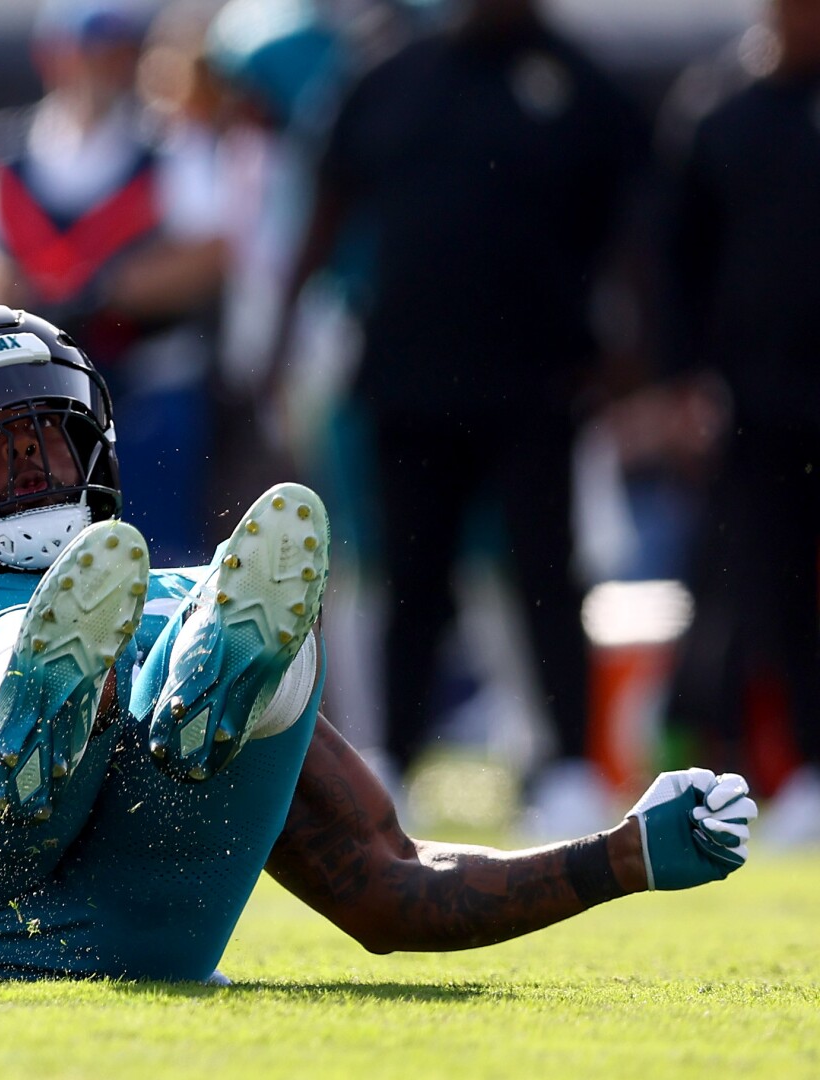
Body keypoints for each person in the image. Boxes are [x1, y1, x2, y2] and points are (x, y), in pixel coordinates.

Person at [0, 306, 756, 981]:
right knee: (32, 647)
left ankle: (191, 699)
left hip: (151, 922)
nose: (30, 467)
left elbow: (388, 880)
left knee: (248, 649)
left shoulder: (186, 596)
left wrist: (619, 857)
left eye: (47, 437)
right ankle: (26, 702)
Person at [280, 0, 648, 833]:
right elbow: (327, 210)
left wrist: (634, 351)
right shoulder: (390, 80)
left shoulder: (580, 84)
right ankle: (394, 762)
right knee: (410, 578)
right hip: (405, 379)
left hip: (540, 381)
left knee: (546, 573)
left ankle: (567, 766)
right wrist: (278, 339)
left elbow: (636, 226)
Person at [0, 0, 228, 565]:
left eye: (116, 55)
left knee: (158, 552)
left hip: (144, 383)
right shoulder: (4, 149)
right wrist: (22, 288)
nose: (102, 69)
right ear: (53, 58)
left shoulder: (168, 145)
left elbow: (208, 254)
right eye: (88, 54)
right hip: (35, 394)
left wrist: (107, 289)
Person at [662, 0, 820, 845]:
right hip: (760, 403)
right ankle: (788, 770)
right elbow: (677, 260)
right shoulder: (721, 110)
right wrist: (682, 381)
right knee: (764, 591)